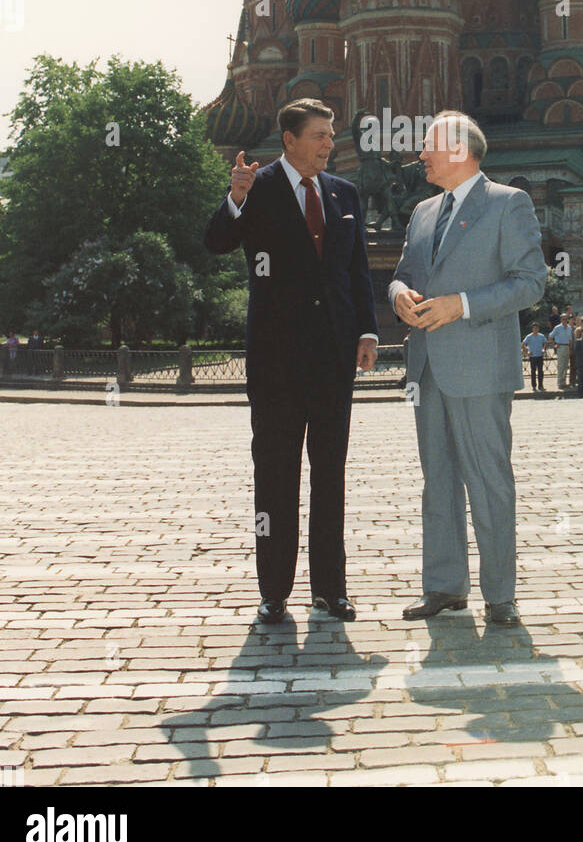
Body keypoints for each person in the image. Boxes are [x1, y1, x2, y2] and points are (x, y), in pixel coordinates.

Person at [203, 99, 379, 626]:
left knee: (330, 476)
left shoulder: (344, 193)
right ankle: (273, 592)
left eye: (330, 134)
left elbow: (357, 270)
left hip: (333, 361)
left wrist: (366, 330)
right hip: (276, 364)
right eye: (320, 135)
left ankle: (331, 589)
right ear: (290, 140)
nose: (330, 143)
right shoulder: (256, 189)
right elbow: (216, 243)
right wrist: (234, 196)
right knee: (275, 478)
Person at [389, 110, 545, 628]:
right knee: (438, 480)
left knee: (489, 481)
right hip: (428, 367)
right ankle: (444, 587)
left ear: (459, 150)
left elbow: (530, 283)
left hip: (480, 366)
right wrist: (398, 296)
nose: (420, 156)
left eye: (428, 146)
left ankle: (501, 596)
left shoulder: (509, 203)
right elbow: (404, 275)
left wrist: (463, 304)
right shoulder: (422, 211)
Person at [548, 313, 573, 390]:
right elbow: (550, 337)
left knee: (566, 365)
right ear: (560, 320)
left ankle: (564, 382)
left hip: (567, 346)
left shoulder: (569, 328)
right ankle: (560, 383)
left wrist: (571, 348)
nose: (565, 320)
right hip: (560, 346)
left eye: (566, 319)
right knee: (561, 365)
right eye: (563, 319)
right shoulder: (557, 328)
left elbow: (570, 339)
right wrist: (554, 345)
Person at [522, 323, 548, 392]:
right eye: (534, 328)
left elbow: (545, 342)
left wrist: (544, 349)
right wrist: (527, 352)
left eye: (536, 328)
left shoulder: (541, 336)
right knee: (533, 371)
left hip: (539, 355)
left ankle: (541, 385)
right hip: (533, 356)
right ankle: (534, 386)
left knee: (540, 371)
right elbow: (523, 344)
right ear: (532, 329)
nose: (535, 329)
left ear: (538, 329)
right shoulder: (529, 336)